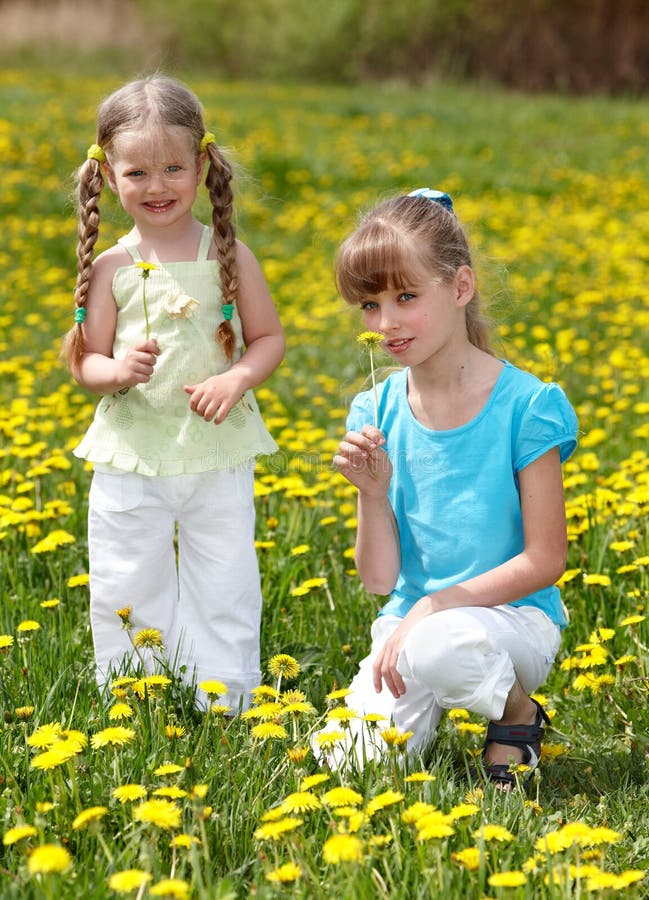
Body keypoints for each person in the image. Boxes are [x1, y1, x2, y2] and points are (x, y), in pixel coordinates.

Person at [317, 188, 578, 788]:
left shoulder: (527, 407)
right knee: (350, 765)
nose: (385, 323)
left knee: (443, 644)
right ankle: (431, 694)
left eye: (406, 296)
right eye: (370, 305)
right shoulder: (375, 409)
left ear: (460, 288)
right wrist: (372, 493)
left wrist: (436, 607)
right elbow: (381, 582)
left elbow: (547, 559)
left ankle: (517, 713)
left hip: (509, 621)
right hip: (410, 627)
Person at [62, 75, 284, 712]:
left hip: (216, 449)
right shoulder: (112, 267)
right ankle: (136, 692)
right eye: (137, 172)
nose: (156, 186)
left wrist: (237, 376)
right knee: (127, 575)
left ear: (202, 165)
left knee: (226, 577)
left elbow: (267, 338)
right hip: (134, 453)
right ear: (107, 176)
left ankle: (227, 697)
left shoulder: (230, 256)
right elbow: (87, 363)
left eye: (172, 168)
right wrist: (119, 369)